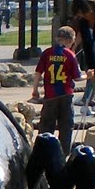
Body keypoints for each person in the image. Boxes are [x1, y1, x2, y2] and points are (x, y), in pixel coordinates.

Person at [32, 25, 83, 154]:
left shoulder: (47, 53)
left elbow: (38, 72)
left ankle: (43, 151)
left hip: (50, 95)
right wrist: (87, 76)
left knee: (46, 125)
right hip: (65, 94)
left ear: (57, 38)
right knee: (66, 126)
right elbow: (77, 77)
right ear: (70, 40)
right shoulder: (70, 55)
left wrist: (35, 89)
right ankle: (63, 152)